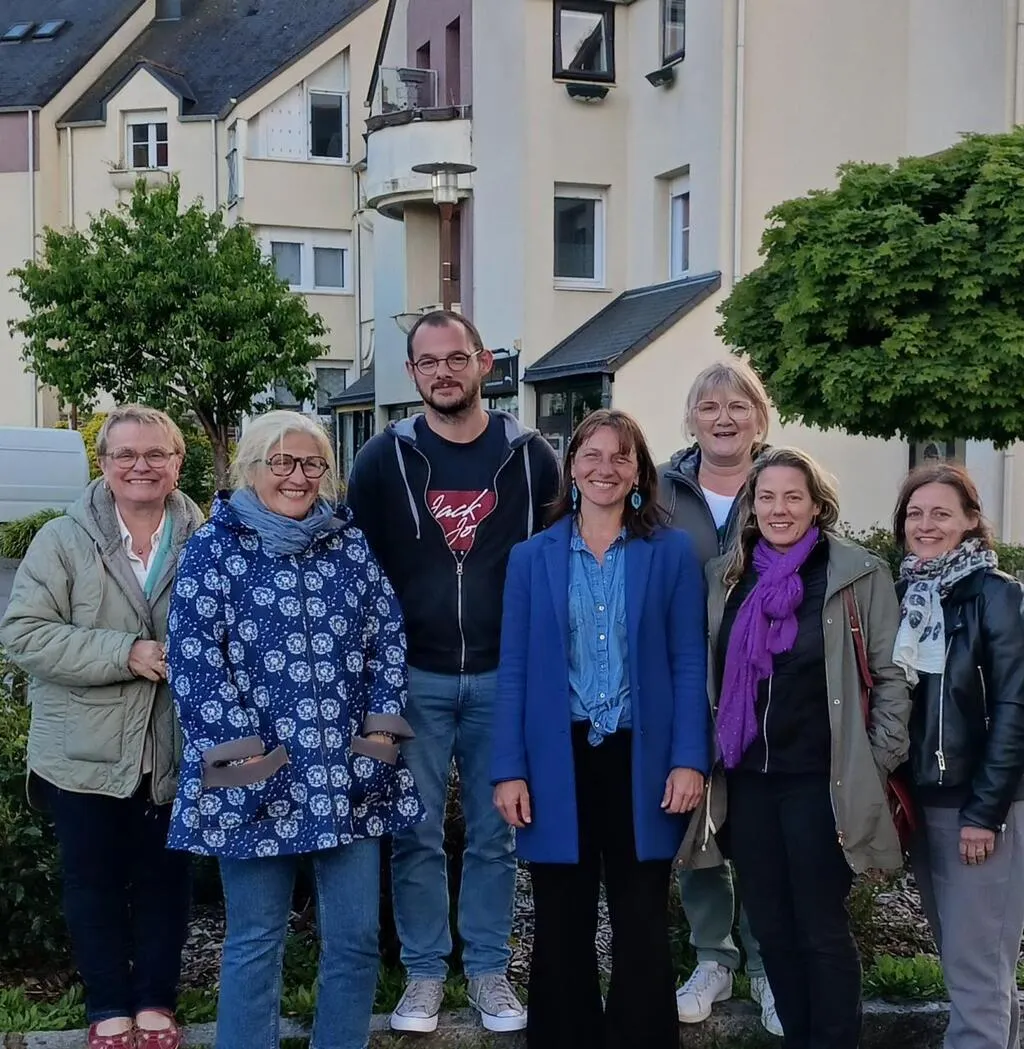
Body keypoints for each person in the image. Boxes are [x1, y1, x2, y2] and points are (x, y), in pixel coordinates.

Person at [166, 411, 423, 1049]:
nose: (298, 475)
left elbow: (386, 640)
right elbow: (196, 659)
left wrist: (378, 741)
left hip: (349, 774)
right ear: (250, 470)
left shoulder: (349, 542)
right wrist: (249, 760)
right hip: (257, 775)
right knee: (255, 939)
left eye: (312, 463)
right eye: (281, 462)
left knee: (357, 937)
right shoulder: (215, 546)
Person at [347, 310, 560, 1034]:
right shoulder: (384, 457)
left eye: (456, 357)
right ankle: (425, 973)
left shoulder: (532, 456)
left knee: (499, 830)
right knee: (415, 830)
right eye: (428, 361)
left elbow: (559, 556)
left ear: (486, 362)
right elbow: (358, 568)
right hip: (413, 676)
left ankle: (490, 971)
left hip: (506, 675)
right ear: (412, 373)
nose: (443, 371)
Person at [492, 408, 709, 1049]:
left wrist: (690, 758)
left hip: (645, 761)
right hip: (558, 761)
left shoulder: (669, 554)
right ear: (573, 468)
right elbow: (514, 671)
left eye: (620, 456)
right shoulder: (533, 558)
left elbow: (689, 660)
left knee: (642, 921)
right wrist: (509, 768)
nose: (605, 468)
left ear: (639, 470)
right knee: (562, 921)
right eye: (591, 455)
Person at [0, 405, 203, 1049]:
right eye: (126, 455)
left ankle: (156, 1006)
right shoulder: (63, 539)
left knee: (165, 882)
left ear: (177, 463)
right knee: (92, 882)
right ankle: (110, 1007)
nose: (141, 466)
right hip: (81, 751)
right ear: (105, 463)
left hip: (172, 746)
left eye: (156, 454)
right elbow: (23, 634)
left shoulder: (206, 537)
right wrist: (126, 653)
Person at [707, 446, 910, 1049]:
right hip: (748, 780)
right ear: (752, 508)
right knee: (772, 930)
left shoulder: (856, 573)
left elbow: (891, 675)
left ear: (818, 505)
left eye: (793, 496)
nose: (778, 508)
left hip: (824, 782)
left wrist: (875, 761)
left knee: (820, 928)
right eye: (766, 497)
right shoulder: (729, 578)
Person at [657, 360, 781, 1034]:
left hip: (770, 689)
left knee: (761, 828)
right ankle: (712, 956)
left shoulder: (787, 481)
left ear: (760, 416)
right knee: (696, 822)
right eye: (710, 407)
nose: (724, 417)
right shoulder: (662, 492)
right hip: (686, 681)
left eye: (739, 405)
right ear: (692, 418)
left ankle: (766, 964)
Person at [893, 464, 1024, 1049]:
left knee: (976, 974)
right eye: (915, 514)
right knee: (975, 967)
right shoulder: (904, 596)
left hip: (979, 809)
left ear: (972, 522)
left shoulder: (998, 595)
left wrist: (984, 813)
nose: (926, 525)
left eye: (942, 513)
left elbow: (1016, 709)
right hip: (925, 803)